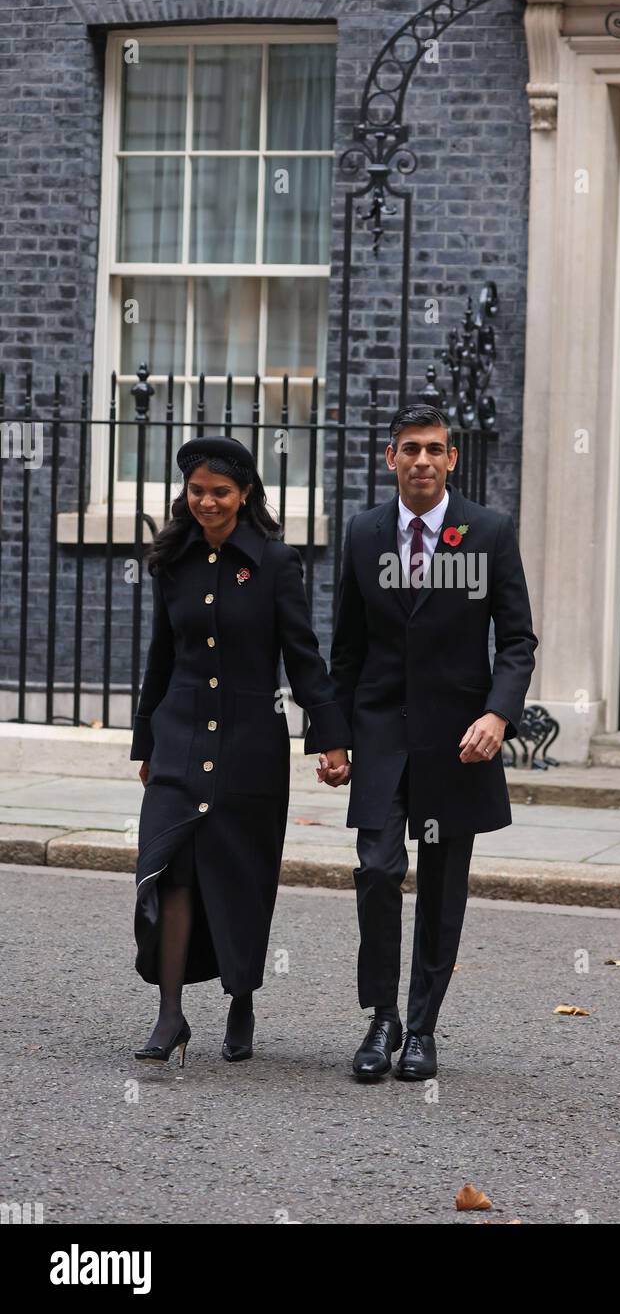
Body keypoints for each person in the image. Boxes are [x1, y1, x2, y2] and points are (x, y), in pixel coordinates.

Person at [322, 404, 537, 1080]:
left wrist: (499, 716)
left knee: (442, 888)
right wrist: (331, 737)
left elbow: (518, 641)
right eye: (409, 448)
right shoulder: (363, 533)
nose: (421, 460)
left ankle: (421, 1029)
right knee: (379, 870)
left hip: (457, 742)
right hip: (383, 734)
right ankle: (380, 1019)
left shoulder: (490, 532)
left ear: (451, 459)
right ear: (391, 458)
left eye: (434, 449)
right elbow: (347, 648)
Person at [131, 435, 350, 1066]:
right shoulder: (172, 562)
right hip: (178, 736)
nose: (206, 502)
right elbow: (160, 656)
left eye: (219, 492)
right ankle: (170, 1015)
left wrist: (331, 738)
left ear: (245, 493)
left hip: (251, 741)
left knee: (241, 875)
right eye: (196, 491)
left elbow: (303, 656)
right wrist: (145, 740)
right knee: (169, 868)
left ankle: (242, 997)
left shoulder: (276, 563)